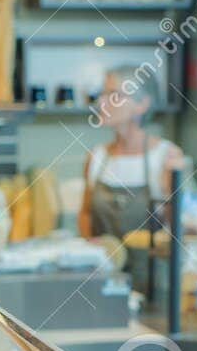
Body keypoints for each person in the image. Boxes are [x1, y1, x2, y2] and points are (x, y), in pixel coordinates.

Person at [77, 68, 184, 246]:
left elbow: (178, 225)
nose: (102, 102)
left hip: (151, 272)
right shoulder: (96, 156)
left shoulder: (166, 156)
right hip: (105, 270)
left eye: (114, 95)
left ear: (142, 104)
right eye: (103, 94)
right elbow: (85, 214)